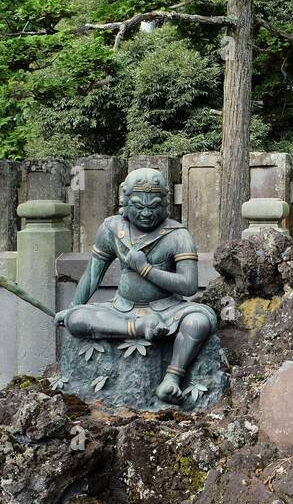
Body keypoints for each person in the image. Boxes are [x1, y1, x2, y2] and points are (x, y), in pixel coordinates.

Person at [56, 167, 216, 401]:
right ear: (125, 201)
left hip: (167, 309)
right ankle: (139, 328)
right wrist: (73, 307)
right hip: (122, 310)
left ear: (165, 204)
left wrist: (145, 269)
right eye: (139, 206)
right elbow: (92, 275)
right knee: (77, 319)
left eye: (153, 207)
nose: (146, 213)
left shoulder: (178, 235)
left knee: (199, 321)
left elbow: (189, 286)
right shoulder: (112, 229)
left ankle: (172, 378)